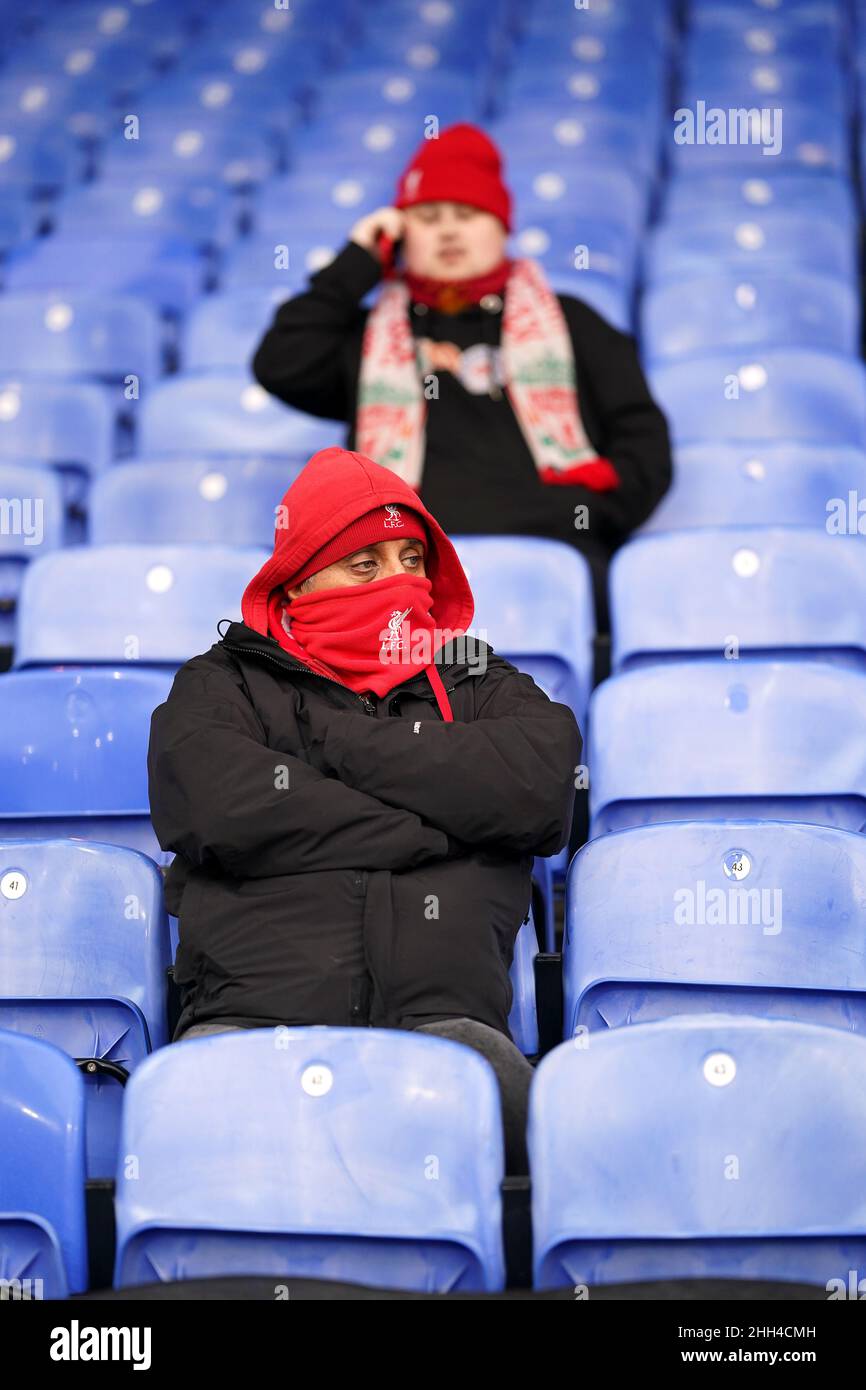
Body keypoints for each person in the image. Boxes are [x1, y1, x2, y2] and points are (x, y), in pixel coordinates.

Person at [147, 446, 580, 1174]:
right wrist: (437, 826)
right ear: (301, 574)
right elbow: (218, 808)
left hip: (452, 1033)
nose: (400, 583)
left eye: (413, 559)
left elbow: (540, 787)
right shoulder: (223, 683)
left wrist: (339, 740)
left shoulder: (472, 676)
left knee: (548, 1147)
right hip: (251, 1024)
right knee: (181, 1140)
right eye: (366, 564)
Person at [252, 122, 671, 628]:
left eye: (467, 215)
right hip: (399, 582)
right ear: (402, 235)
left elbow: (643, 439)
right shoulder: (370, 337)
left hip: (553, 561)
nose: (449, 231)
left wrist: (588, 514)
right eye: (427, 218)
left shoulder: (572, 322)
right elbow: (279, 364)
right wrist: (358, 261)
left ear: (502, 228)